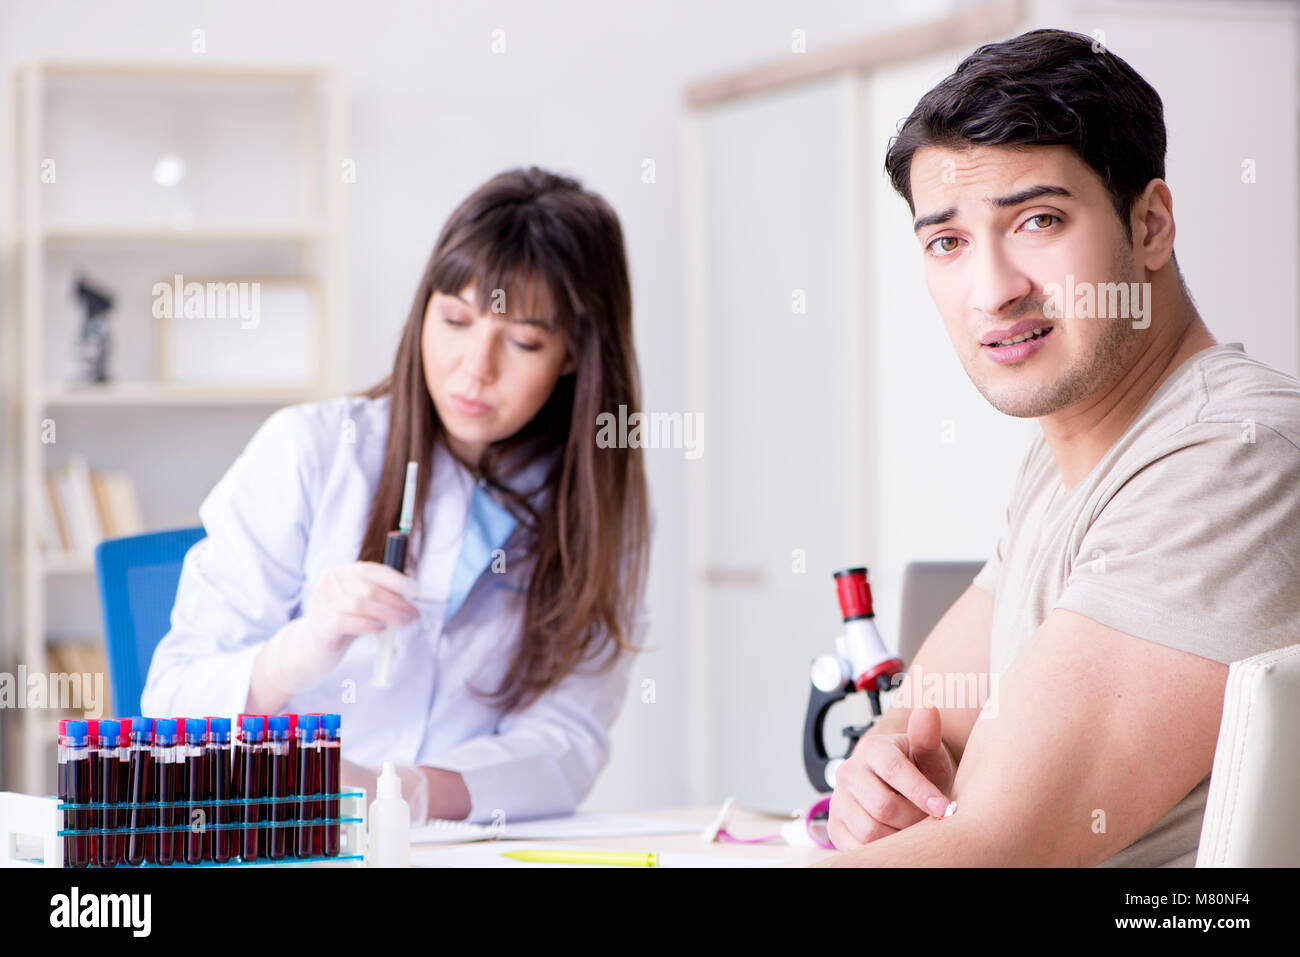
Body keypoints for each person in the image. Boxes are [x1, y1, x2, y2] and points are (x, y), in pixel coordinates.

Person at [821, 29, 1300, 867]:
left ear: (1150, 225)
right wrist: (879, 765)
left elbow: (991, 847)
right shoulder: (1070, 451)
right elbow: (926, 713)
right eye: (948, 242)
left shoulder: (1233, 455)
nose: (994, 288)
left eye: (1038, 220)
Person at [142, 167, 652, 826]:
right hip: (283, 830)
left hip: (458, 844)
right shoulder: (311, 451)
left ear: (576, 353)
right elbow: (171, 700)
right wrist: (298, 649)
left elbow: (567, 739)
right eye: (455, 320)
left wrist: (403, 790)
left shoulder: (596, 506)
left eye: (523, 340)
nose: (476, 366)